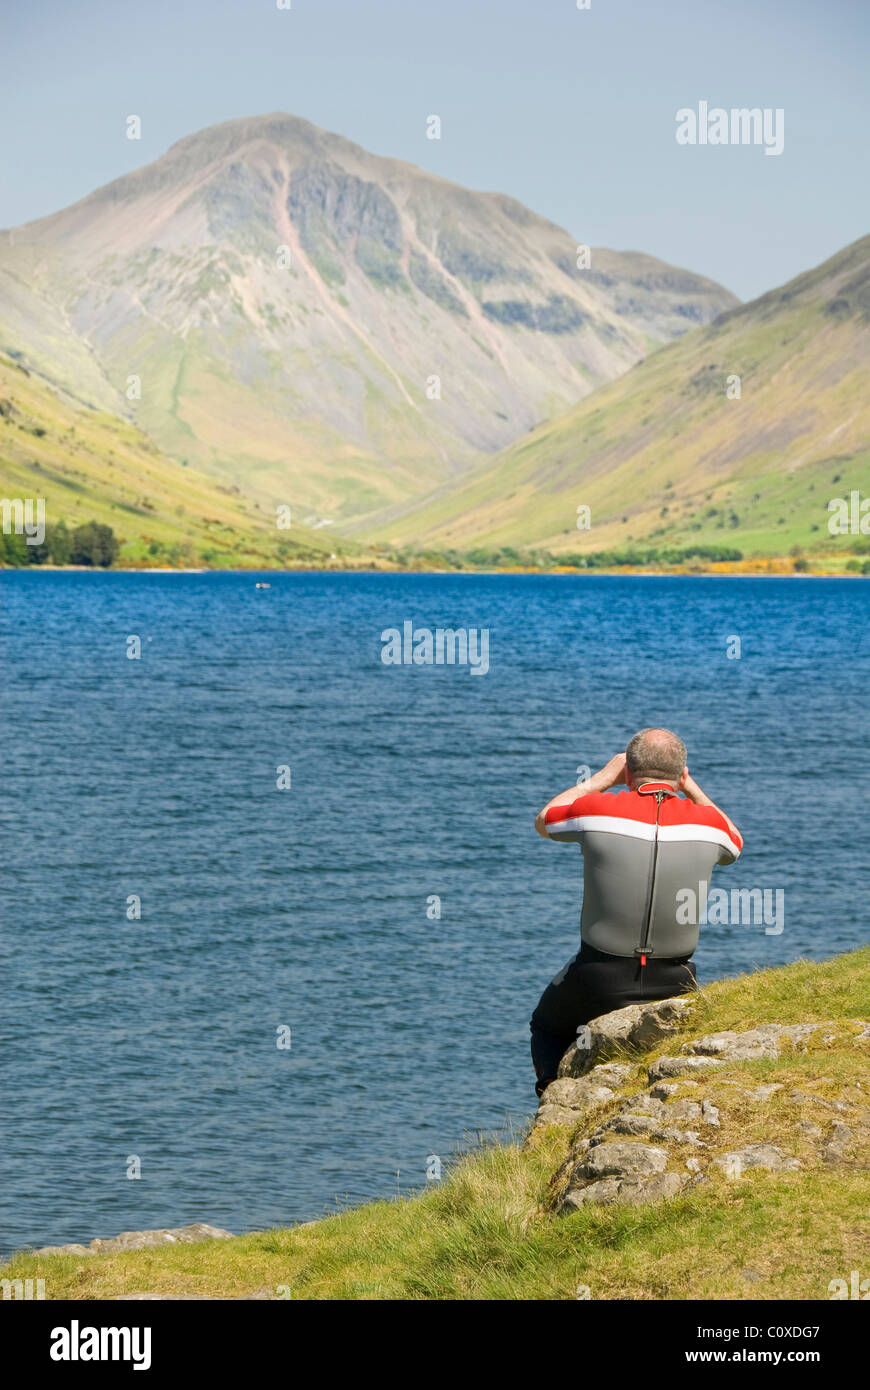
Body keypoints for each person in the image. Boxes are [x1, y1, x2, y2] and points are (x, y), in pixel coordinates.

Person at [529, 727, 742, 1097]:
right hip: (675, 980)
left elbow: (545, 818)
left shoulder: (597, 809)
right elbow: (735, 841)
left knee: (546, 1026)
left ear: (627, 771)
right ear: (681, 774)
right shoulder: (710, 826)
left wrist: (600, 780)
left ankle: (553, 1094)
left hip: (597, 977)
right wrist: (691, 787)